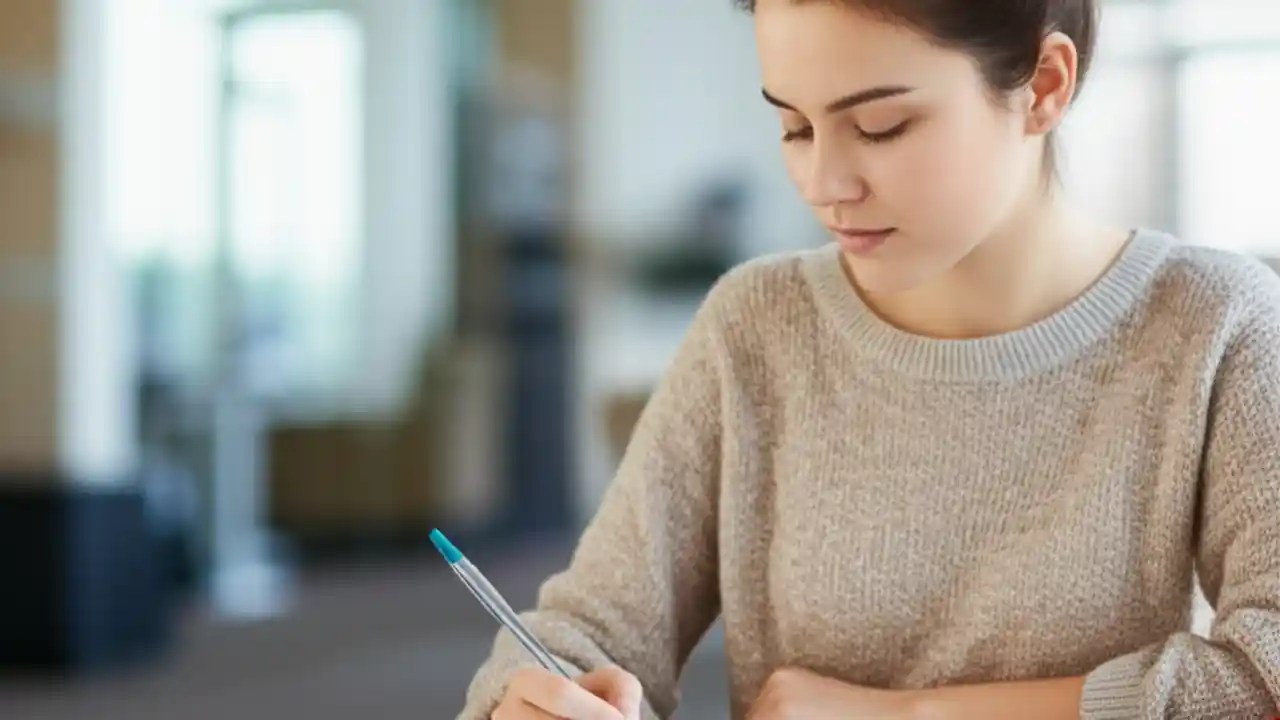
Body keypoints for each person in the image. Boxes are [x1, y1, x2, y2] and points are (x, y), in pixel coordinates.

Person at [459, 0, 1280, 717]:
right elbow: (587, 631)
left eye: (881, 126)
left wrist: (914, 714)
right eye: (794, 125)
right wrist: (539, 697)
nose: (822, 182)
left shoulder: (1216, 325)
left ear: (1044, 84)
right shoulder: (756, 328)